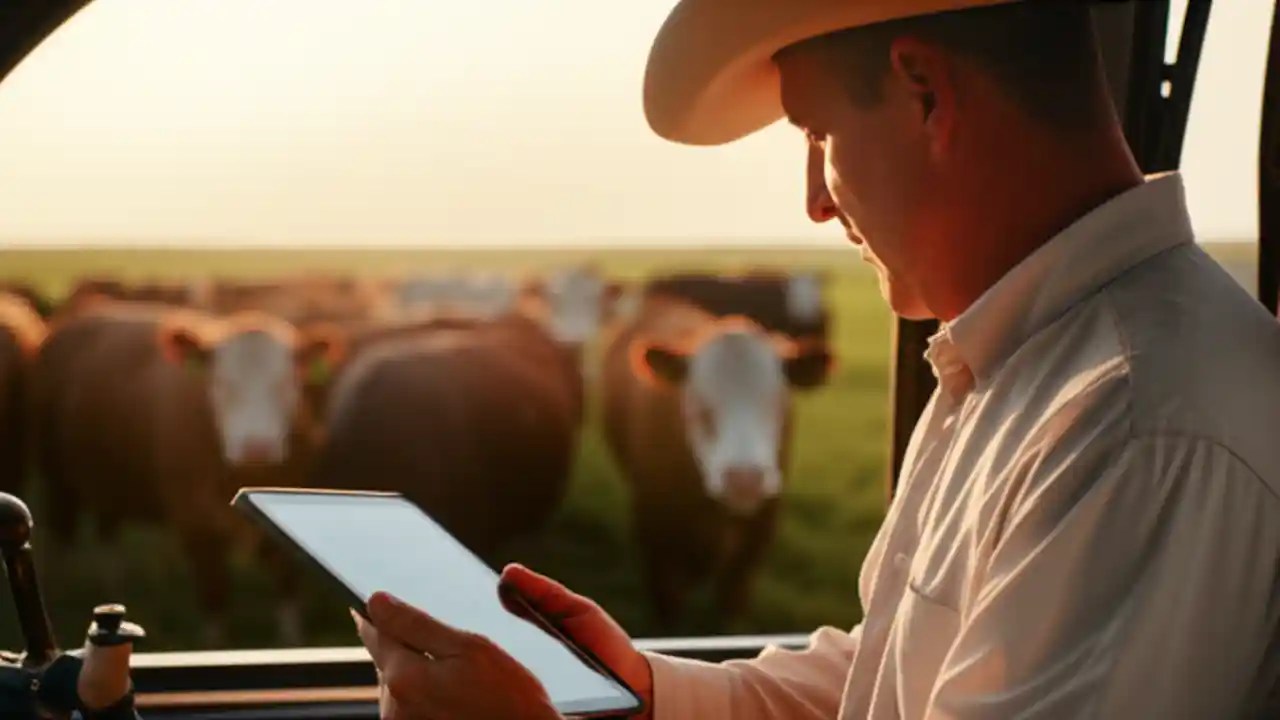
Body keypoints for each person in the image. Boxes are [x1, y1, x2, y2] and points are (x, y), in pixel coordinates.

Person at [353, 0, 1280, 717]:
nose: (814, 203)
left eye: (816, 135)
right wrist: (646, 692)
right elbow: (898, 677)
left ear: (926, 96)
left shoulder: (1132, 424)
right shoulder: (1033, 368)